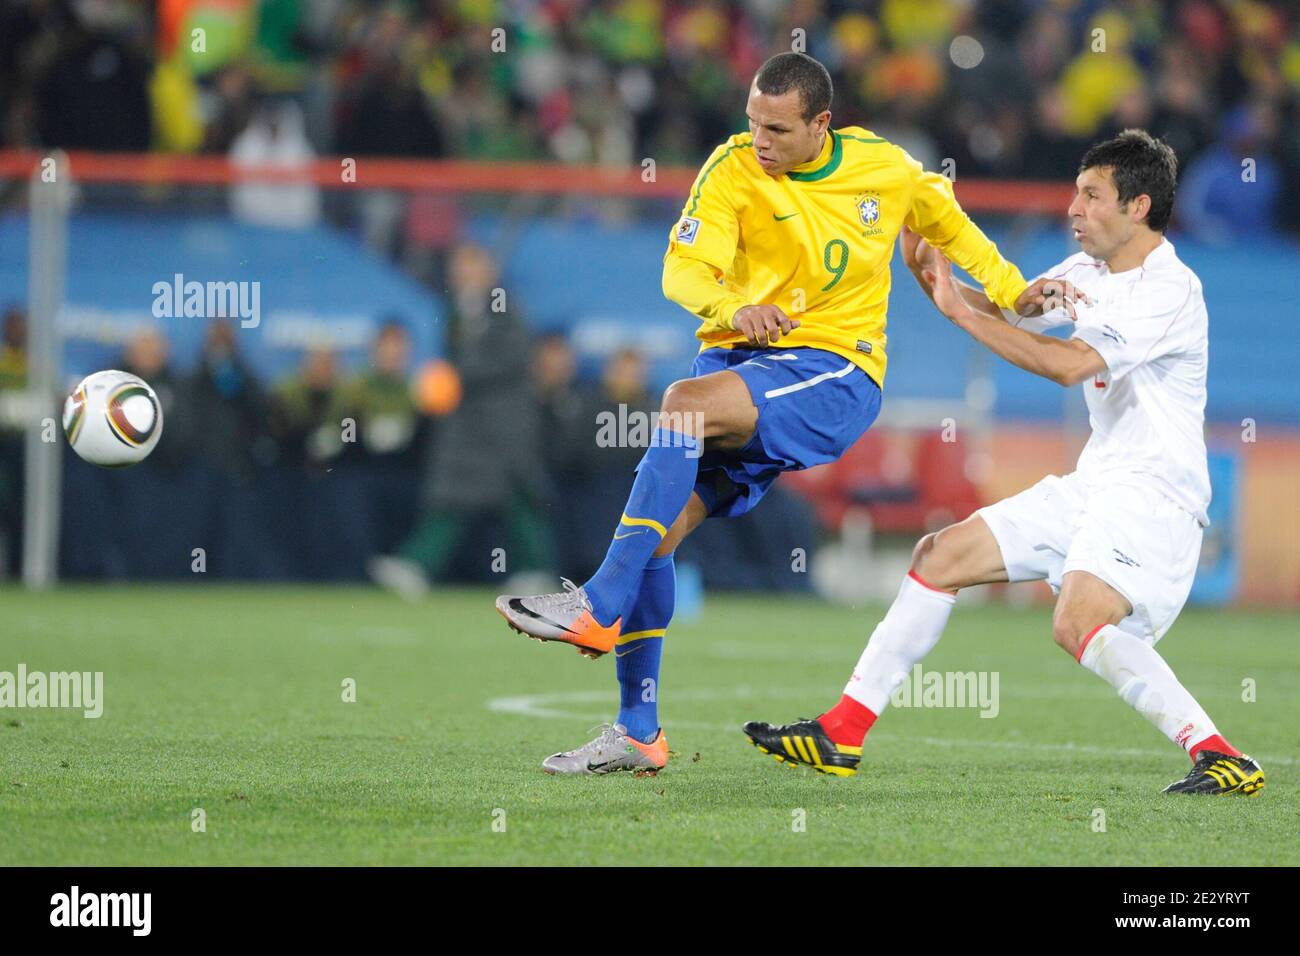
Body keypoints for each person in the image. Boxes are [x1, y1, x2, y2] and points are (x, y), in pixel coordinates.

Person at [495, 52, 1078, 775]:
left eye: (775, 127)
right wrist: (732, 307)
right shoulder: (731, 167)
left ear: (820, 125)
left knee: (680, 403)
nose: (758, 140)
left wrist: (1015, 289)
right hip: (744, 361)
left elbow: (950, 226)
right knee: (661, 535)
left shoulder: (884, 168)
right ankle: (637, 732)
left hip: (836, 369)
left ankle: (599, 599)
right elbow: (682, 270)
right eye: (751, 122)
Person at [746, 129, 1264, 797]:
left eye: (1091, 195)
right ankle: (843, 729)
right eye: (1075, 192)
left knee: (1077, 623)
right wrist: (937, 278)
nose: (1073, 208)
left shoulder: (1170, 290)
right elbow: (1017, 312)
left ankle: (1221, 754)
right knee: (940, 556)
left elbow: (1068, 365)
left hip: (1156, 497)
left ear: (1138, 207)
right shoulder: (1085, 273)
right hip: (1099, 483)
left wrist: (963, 316)